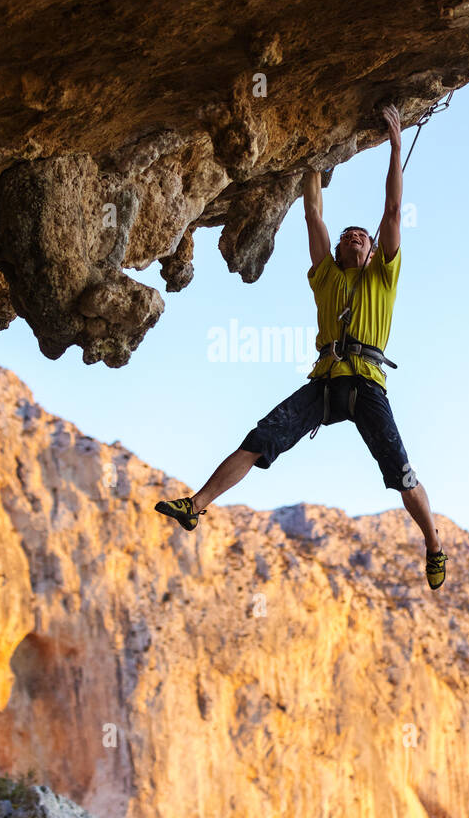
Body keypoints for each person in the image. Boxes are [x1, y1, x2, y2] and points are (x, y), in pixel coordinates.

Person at [155, 104, 448, 589]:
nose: (355, 236)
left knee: (401, 474)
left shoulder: (384, 277)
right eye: (347, 236)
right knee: (260, 439)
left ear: (373, 252)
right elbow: (313, 212)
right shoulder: (326, 276)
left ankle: (434, 546)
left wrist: (396, 147)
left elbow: (392, 211)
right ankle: (196, 506)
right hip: (326, 382)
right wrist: (313, 158)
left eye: (362, 237)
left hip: (368, 383)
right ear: (334, 253)